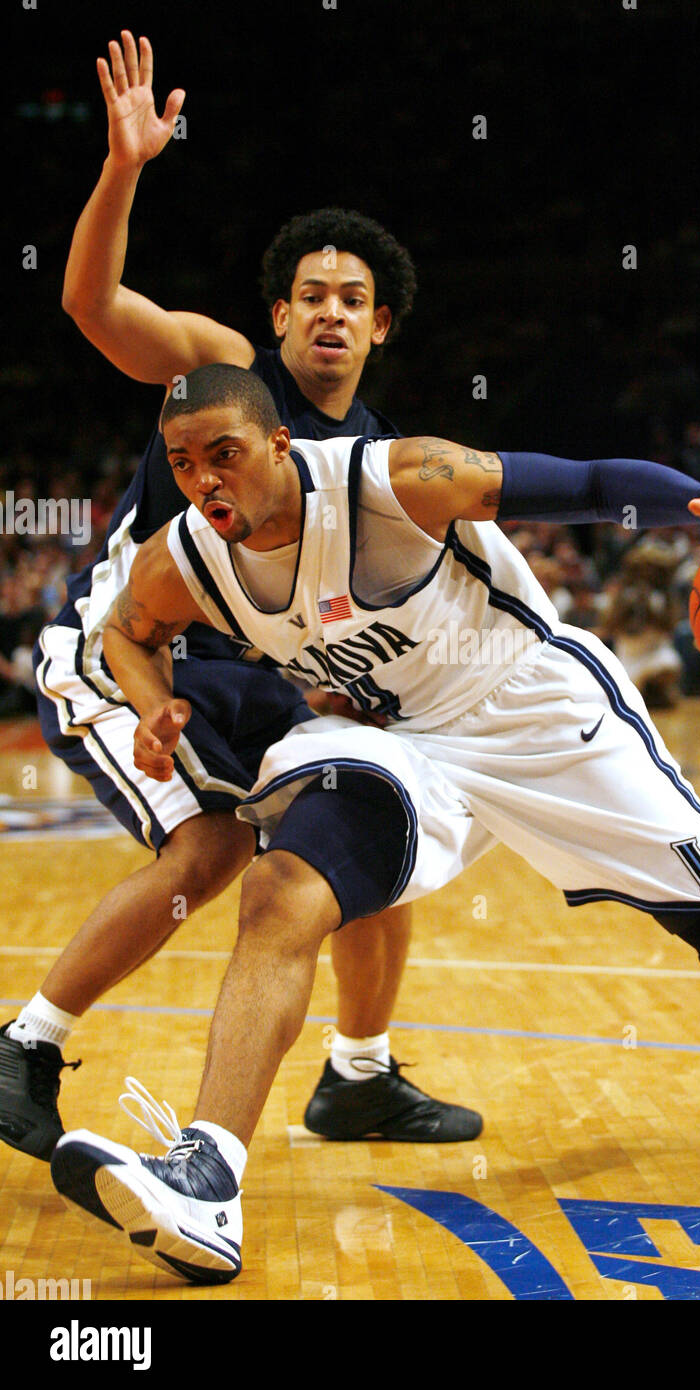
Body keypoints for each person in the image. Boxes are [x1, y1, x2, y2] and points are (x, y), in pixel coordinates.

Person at [50, 365, 700, 1284]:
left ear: (280, 444)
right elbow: (127, 631)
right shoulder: (185, 553)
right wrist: (152, 705)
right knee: (281, 890)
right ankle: (208, 1181)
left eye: (224, 456)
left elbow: (588, 486)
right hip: (409, 746)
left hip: (536, 713)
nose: (203, 483)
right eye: (185, 464)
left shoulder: (394, 481)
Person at [0, 31, 481, 1162]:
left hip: (242, 679)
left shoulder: (377, 461)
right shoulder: (227, 371)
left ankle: (358, 1075)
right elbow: (90, 302)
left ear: (379, 326)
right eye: (307, 294)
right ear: (274, 318)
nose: (326, 312)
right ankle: (25, 1043)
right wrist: (124, 167)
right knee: (210, 851)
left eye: (349, 299)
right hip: (119, 643)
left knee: (373, 805)